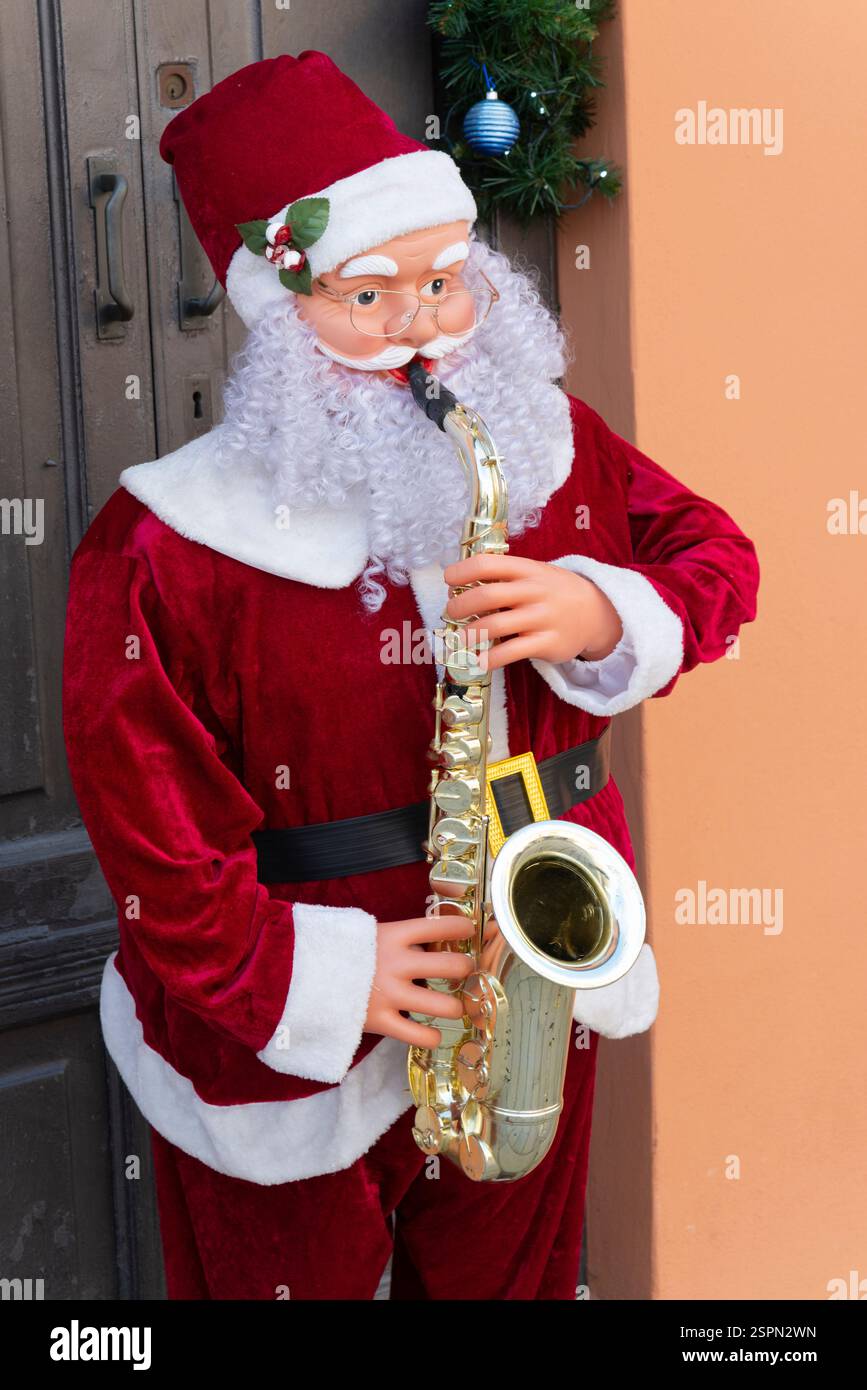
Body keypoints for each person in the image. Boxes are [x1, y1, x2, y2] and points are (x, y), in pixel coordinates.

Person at [61, 51, 760, 1300]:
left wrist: (603, 605)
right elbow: (153, 843)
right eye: (371, 294)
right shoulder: (162, 542)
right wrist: (308, 975)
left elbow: (717, 560)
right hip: (284, 1037)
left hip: (527, 972)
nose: (426, 325)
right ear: (277, 307)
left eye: (448, 280)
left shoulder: (549, 444)